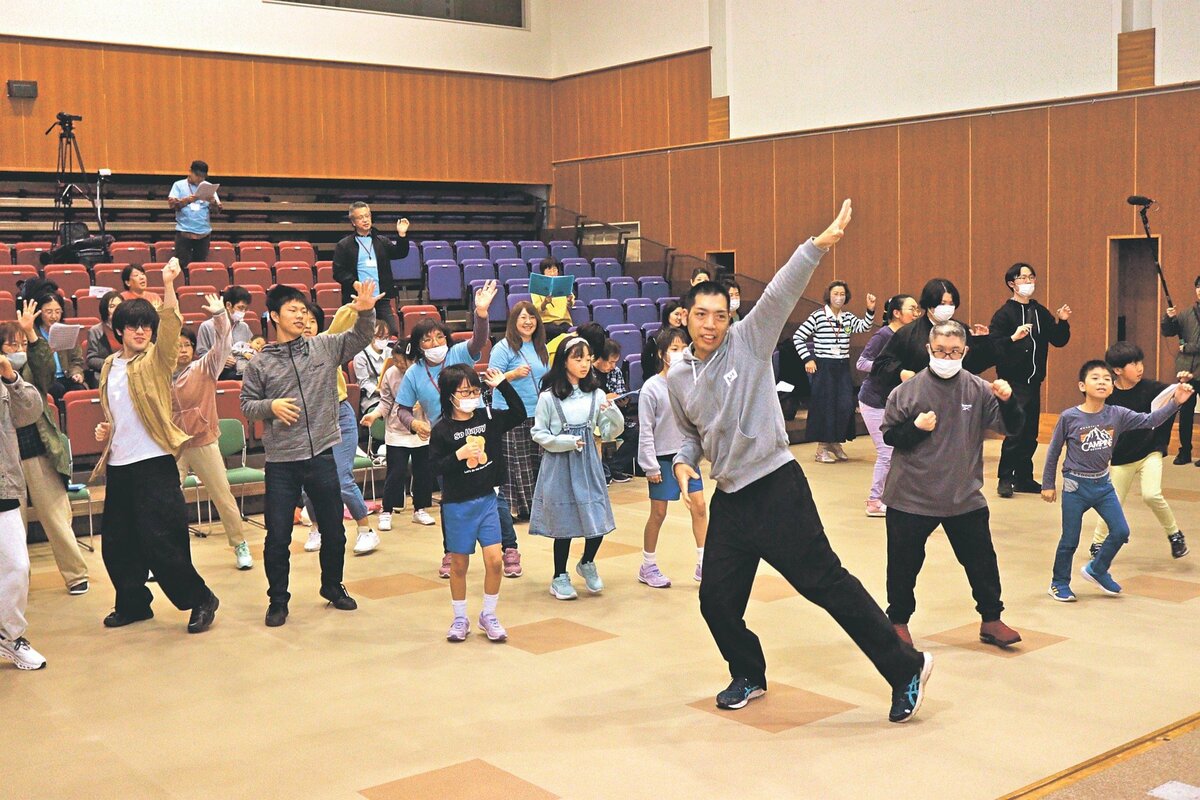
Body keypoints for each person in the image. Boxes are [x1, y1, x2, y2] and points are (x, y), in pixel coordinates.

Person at [667, 200, 932, 723]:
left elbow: (781, 292)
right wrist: (683, 463)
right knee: (717, 602)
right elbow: (689, 434)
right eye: (702, 314)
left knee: (826, 586)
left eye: (721, 315)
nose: (712, 324)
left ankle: (907, 667)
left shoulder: (748, 342)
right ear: (685, 316)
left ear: (731, 318)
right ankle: (748, 672)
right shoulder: (678, 377)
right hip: (732, 500)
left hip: (777, 487)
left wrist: (819, 244)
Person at [92, 258, 220, 634]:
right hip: (119, 464)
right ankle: (134, 604)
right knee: (117, 543)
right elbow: (118, 410)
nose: (140, 331)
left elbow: (171, 326)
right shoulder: (109, 366)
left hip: (154, 462)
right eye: (132, 325)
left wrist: (167, 284)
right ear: (118, 329)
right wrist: (106, 429)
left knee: (162, 541)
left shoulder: (158, 358)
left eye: (145, 325)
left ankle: (201, 599)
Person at [240, 281, 378, 627]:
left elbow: (360, 337)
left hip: (321, 455)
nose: (301, 315)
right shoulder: (260, 364)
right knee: (278, 537)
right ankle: (278, 600)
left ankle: (332, 587)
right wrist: (270, 406)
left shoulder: (323, 347)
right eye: (293, 310)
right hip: (282, 463)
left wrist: (365, 309)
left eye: (304, 310)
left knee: (334, 529)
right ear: (274, 316)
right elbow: (246, 405)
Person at [880, 321, 1025, 648]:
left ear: (965, 352)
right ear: (929, 350)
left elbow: (1012, 427)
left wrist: (1008, 400)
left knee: (982, 561)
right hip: (910, 497)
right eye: (941, 351)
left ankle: (991, 619)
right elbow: (891, 436)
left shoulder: (977, 389)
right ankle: (898, 622)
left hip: (963, 496)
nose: (948, 356)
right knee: (903, 564)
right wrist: (915, 428)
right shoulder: (907, 391)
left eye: (955, 351)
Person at [1041, 361, 1192, 601]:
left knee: (1121, 531)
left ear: (1112, 387)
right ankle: (1059, 582)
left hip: (1103, 485)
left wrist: (1176, 403)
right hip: (1075, 486)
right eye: (1095, 378)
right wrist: (1047, 484)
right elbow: (1053, 451)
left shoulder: (1117, 414)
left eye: (1106, 379)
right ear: (1082, 385)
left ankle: (1097, 569)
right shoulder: (1070, 417)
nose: (1102, 382)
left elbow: (1150, 420)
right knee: (1070, 539)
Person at [394, 281, 497, 577]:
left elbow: (479, 341)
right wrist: (414, 423)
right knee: (450, 496)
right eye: (428, 339)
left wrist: (480, 313)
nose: (436, 343)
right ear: (417, 345)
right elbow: (400, 409)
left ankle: (503, 545)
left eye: (440, 336)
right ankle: (450, 552)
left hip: (475, 429)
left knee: (488, 488)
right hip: (442, 438)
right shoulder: (414, 373)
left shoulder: (458, 354)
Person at [430, 365, 526, 642]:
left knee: (495, 561)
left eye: (475, 390)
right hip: (458, 505)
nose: (471, 395)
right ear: (450, 395)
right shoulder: (442, 430)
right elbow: (433, 468)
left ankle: (489, 614)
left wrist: (503, 385)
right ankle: (460, 617)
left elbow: (519, 414)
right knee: (459, 565)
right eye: (464, 391)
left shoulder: (487, 418)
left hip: (487, 500)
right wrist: (458, 455)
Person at [2, 310, 90, 595]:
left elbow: (45, 372)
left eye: (22, 345)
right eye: (11, 345)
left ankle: (76, 575)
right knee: (13, 526)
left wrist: (32, 335)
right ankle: (15, 584)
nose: (18, 350)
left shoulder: (28, 368)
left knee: (56, 516)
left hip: (37, 450)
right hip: (5, 459)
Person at [531, 336, 624, 600]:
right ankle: (559, 575)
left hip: (588, 464)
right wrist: (566, 442)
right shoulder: (549, 398)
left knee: (598, 517)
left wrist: (612, 410)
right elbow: (539, 433)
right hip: (560, 464)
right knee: (565, 524)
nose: (584, 364)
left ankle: (587, 562)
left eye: (587, 358)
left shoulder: (596, 394)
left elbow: (609, 432)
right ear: (563, 361)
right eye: (577, 358)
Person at [171, 297, 253, 571]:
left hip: (203, 440)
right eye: (177, 345)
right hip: (172, 445)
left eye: (187, 345)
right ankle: (162, 555)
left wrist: (220, 315)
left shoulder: (204, 367)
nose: (182, 350)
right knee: (165, 499)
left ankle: (240, 543)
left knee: (222, 495)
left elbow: (224, 344)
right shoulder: (157, 373)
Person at [1088, 342, 1190, 560]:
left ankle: (1175, 536)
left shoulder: (1151, 388)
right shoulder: (1108, 395)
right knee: (1112, 500)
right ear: (1117, 370)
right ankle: (1097, 542)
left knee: (1152, 494)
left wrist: (1182, 384)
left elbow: (1173, 395)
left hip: (1149, 451)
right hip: (1121, 457)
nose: (1140, 367)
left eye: (1140, 361)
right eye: (1134, 364)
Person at [296, 300, 381, 556]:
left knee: (342, 479)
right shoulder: (288, 354)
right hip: (310, 421)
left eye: (312, 321)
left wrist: (355, 306)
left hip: (340, 415)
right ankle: (316, 529)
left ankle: (366, 530)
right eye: (303, 321)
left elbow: (338, 325)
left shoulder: (326, 344)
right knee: (307, 482)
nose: (308, 325)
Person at [988, 262, 1072, 498]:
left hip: (1034, 382)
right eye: (1023, 278)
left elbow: (1058, 339)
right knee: (1015, 431)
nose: (1028, 282)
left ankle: (1024, 478)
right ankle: (1005, 478)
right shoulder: (1004, 314)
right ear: (1011, 283)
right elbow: (994, 345)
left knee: (1030, 433)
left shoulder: (1039, 311)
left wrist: (1062, 320)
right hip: (1012, 382)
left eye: (1031, 277)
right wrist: (1013, 338)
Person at [637, 326, 706, 588]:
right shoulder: (651, 388)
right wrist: (650, 465)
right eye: (673, 349)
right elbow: (645, 429)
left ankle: (703, 563)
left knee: (699, 507)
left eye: (682, 348)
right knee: (658, 513)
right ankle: (648, 564)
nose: (679, 353)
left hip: (687, 458)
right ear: (661, 354)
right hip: (662, 459)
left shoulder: (691, 383)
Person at [487, 300, 552, 576]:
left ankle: (533, 508)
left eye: (531, 318)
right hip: (511, 412)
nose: (527, 322)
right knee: (516, 463)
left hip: (538, 412)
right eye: (522, 318)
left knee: (536, 461)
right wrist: (511, 374)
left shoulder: (540, 347)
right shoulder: (504, 347)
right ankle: (516, 508)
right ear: (513, 321)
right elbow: (491, 377)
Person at [792, 280, 877, 462]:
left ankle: (835, 443)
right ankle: (822, 447)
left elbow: (863, 327)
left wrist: (870, 310)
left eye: (842, 294)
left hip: (842, 366)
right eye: (835, 294)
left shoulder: (846, 318)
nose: (839, 297)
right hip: (825, 366)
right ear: (828, 296)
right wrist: (808, 358)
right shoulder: (818, 316)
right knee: (825, 405)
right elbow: (798, 337)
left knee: (844, 405)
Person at [0, 349, 48, 669]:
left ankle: (9, 636)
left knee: (17, 566)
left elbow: (30, 412)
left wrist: (10, 376)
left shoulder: (4, 377)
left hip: (3, 486)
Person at [871, 278, 992, 396]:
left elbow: (973, 366)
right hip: (919, 397)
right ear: (929, 304)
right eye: (942, 303)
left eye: (951, 304)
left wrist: (982, 342)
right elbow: (881, 365)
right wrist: (901, 373)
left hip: (955, 395)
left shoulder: (960, 329)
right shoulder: (908, 332)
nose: (947, 308)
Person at [856, 294, 920, 516]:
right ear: (896, 313)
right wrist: (895, 370)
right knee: (886, 452)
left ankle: (895, 495)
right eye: (912, 308)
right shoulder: (884, 335)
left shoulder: (910, 336)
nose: (916, 313)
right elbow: (862, 362)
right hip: (874, 400)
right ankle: (874, 501)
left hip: (894, 401)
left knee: (901, 450)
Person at [360, 344, 431, 533]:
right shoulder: (390, 374)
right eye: (397, 361)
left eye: (403, 361)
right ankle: (387, 511)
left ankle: (420, 509)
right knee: (395, 472)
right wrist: (374, 415)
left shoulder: (424, 371)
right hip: (396, 431)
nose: (400, 365)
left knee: (423, 471)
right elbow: (385, 402)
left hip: (422, 429)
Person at [332, 202, 410, 335]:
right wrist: (353, 282)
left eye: (367, 216)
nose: (365, 220)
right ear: (353, 222)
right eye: (360, 217)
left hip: (381, 299)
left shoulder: (381, 241)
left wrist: (402, 235)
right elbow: (338, 272)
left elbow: (400, 253)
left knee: (392, 333)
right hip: (358, 300)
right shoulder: (344, 245)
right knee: (358, 337)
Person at [1160, 275, 1200, 465]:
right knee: (1185, 413)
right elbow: (1169, 331)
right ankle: (1184, 451)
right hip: (1186, 371)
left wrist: (1188, 347)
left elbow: (1192, 345)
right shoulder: (1186, 314)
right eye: (1198, 287)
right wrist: (1169, 318)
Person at [31, 290, 87, 401]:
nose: (54, 316)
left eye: (57, 312)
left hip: (67, 375)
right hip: (45, 379)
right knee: (57, 389)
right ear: (39, 312)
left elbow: (77, 360)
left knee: (79, 390)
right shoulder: (33, 333)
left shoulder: (67, 330)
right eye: (49, 312)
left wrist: (76, 373)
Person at [167, 159, 221, 270]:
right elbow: (172, 205)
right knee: (181, 265)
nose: (200, 179)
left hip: (203, 233)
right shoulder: (178, 185)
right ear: (190, 172)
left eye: (203, 176)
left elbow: (218, 209)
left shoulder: (208, 187)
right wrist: (188, 200)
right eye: (197, 175)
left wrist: (214, 203)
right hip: (184, 232)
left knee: (200, 266)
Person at [592, 337, 632, 483]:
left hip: (615, 416)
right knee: (596, 436)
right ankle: (603, 472)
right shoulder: (588, 372)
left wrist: (624, 401)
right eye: (610, 361)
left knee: (636, 433)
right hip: (596, 419)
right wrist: (605, 397)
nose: (613, 365)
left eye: (615, 362)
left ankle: (616, 467)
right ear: (599, 358)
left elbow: (621, 392)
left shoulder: (615, 372)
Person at [196, 285, 253, 381]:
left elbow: (250, 348)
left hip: (242, 372)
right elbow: (202, 355)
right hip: (218, 374)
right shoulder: (207, 326)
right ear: (228, 305)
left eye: (245, 309)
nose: (243, 312)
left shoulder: (244, 327)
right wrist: (220, 359)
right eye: (240, 308)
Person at [530, 258, 575, 340]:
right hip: (547, 321)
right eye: (549, 270)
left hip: (564, 321)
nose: (552, 273)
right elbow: (536, 309)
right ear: (543, 272)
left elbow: (571, 305)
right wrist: (545, 303)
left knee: (567, 330)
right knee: (552, 330)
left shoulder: (563, 284)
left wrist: (569, 300)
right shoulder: (537, 288)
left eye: (555, 270)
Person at [353, 320, 391, 417]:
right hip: (372, 398)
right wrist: (380, 391)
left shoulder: (390, 352)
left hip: (392, 393)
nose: (383, 340)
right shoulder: (360, 356)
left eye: (386, 337)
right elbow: (363, 382)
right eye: (379, 336)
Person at [85, 291, 123, 386]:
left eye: (119, 305)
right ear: (105, 309)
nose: (117, 309)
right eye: (112, 306)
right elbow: (91, 359)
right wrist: (112, 364)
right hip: (106, 372)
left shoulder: (130, 328)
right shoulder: (95, 331)